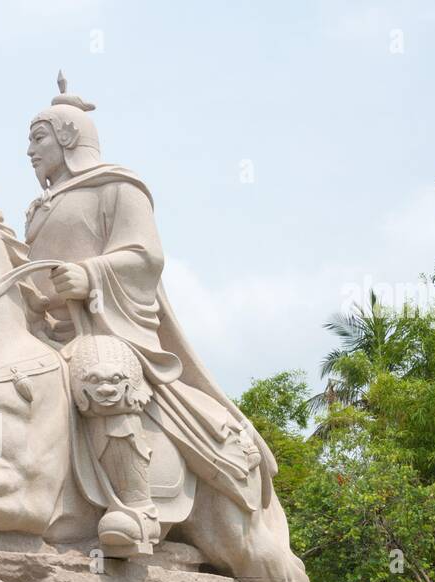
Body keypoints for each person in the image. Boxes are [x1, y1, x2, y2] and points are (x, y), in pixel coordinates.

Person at [23, 73, 273, 552]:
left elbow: (146, 257)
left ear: (69, 138)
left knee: (101, 374)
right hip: (45, 329)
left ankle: (137, 510)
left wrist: (90, 275)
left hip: (100, 325)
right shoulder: (38, 209)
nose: (29, 152)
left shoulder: (118, 187)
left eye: (38, 139)